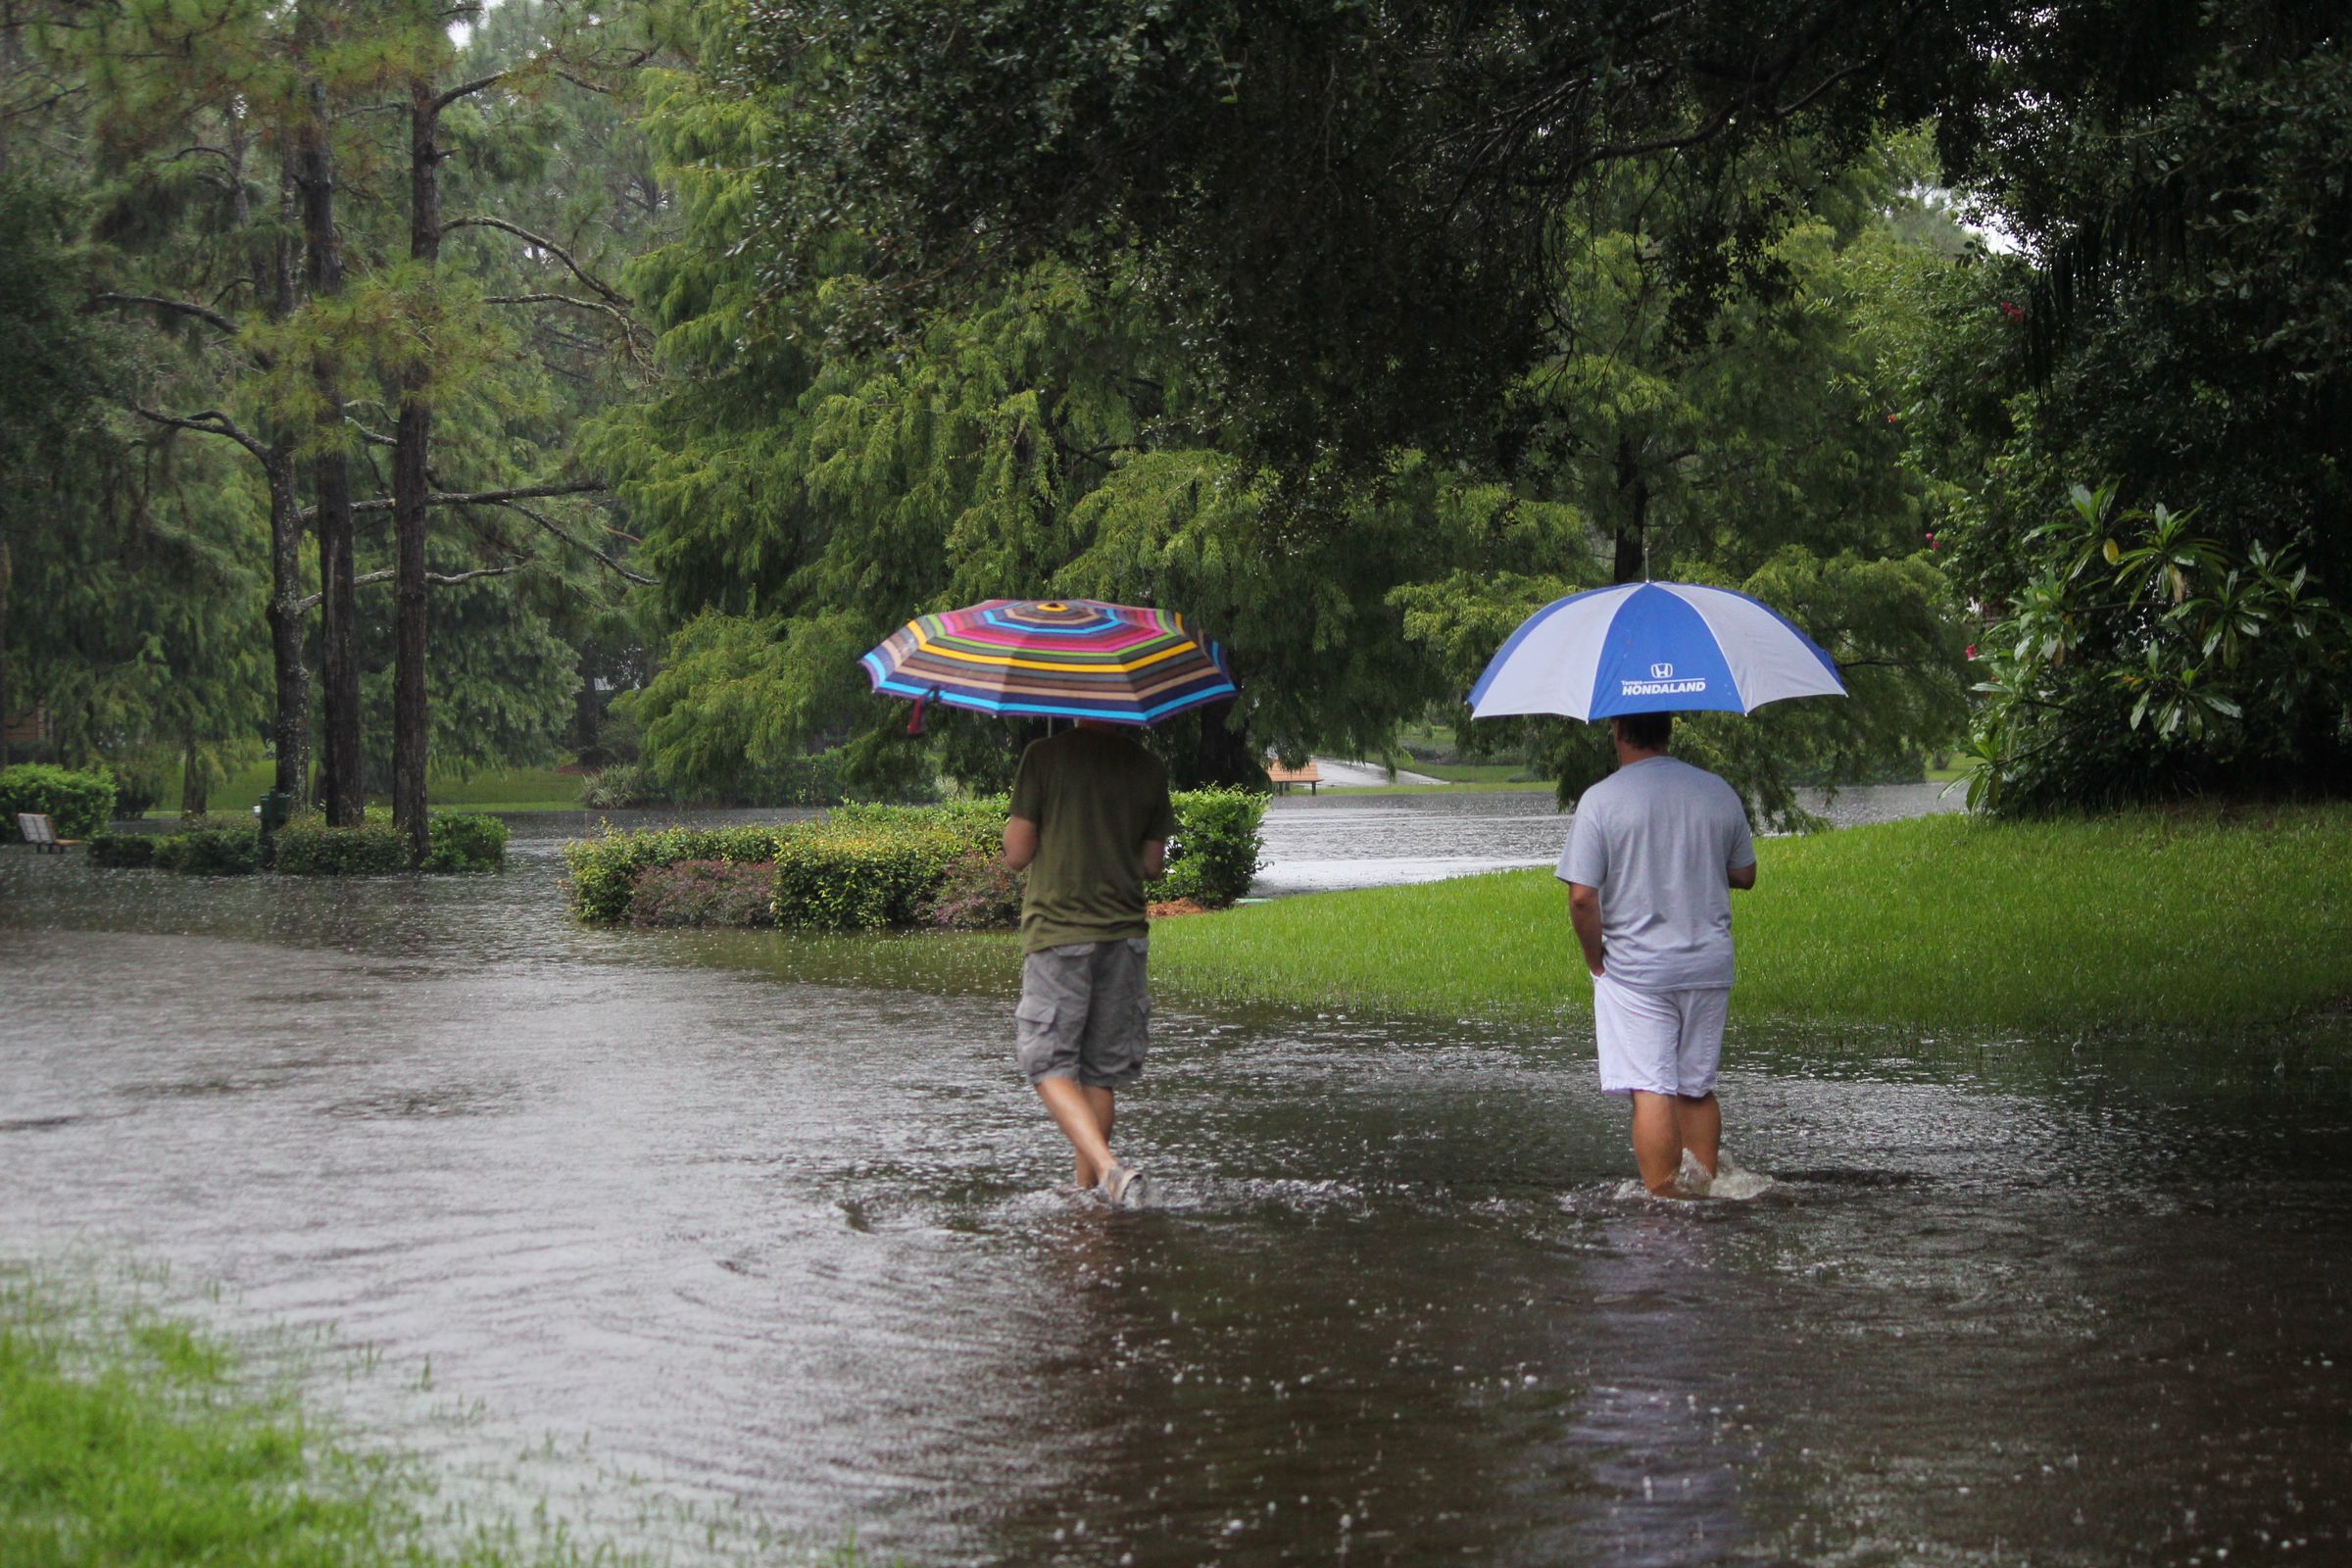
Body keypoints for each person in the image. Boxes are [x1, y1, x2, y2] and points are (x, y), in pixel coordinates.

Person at [1557, 710, 1758, 1198]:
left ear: (1619, 732)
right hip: (1708, 966)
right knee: (1695, 1088)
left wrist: (1594, 960)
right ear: (1668, 730)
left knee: (1650, 1086)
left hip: (1638, 971)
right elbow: (1745, 874)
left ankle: (1664, 1203)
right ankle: (1706, 1197)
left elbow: (1582, 897)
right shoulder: (1716, 791)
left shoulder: (1601, 801)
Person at [1001, 717, 1178, 1207]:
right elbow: (1152, 865)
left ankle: (1107, 1169)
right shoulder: (1147, 766)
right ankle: (1088, 1197)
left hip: (1058, 934)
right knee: (1099, 1072)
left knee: (1045, 1060)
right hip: (1123, 938)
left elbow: (1017, 854)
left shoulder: (1043, 757)